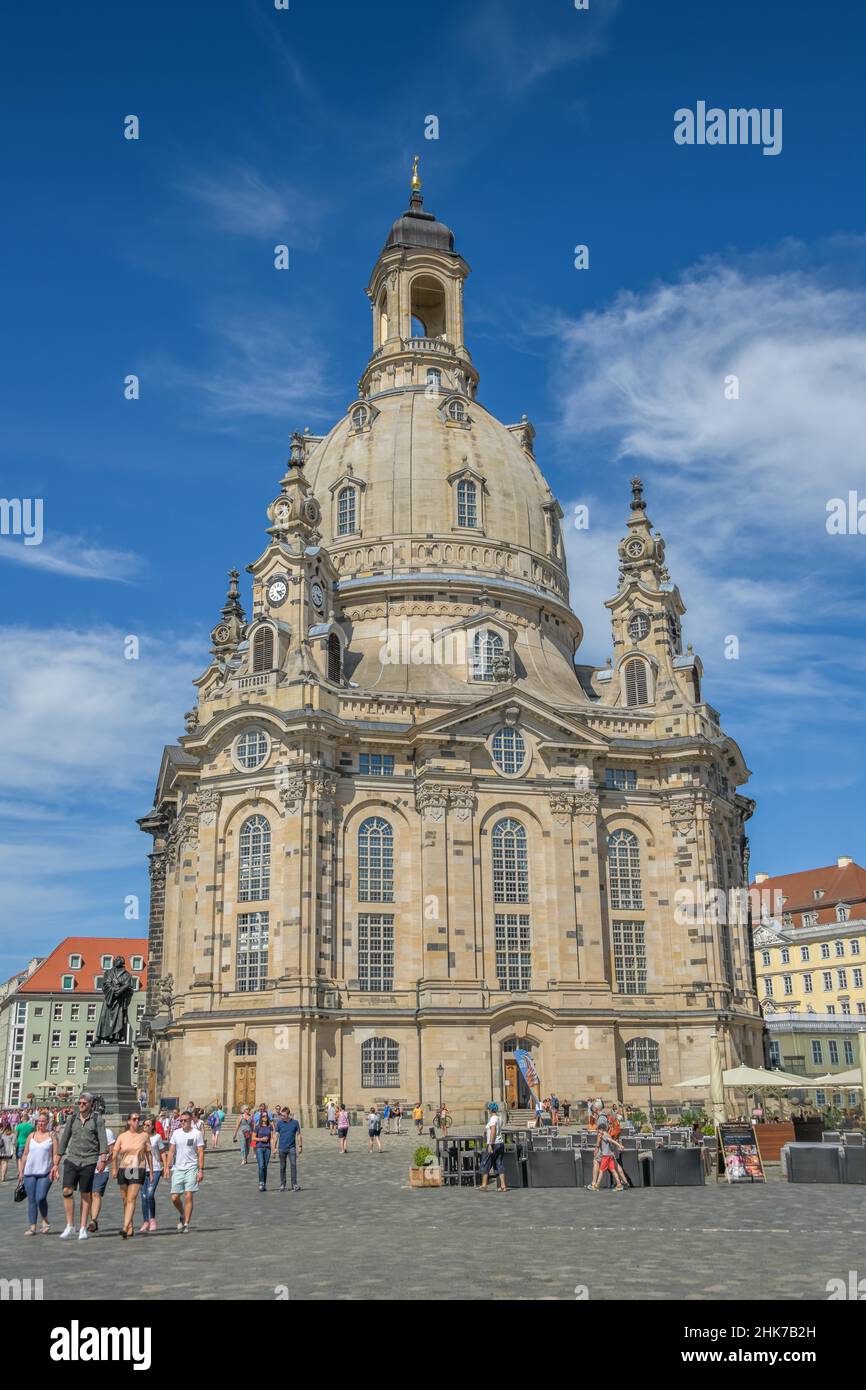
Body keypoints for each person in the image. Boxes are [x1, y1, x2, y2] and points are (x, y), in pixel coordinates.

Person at [55, 1092, 109, 1241]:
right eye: (79, 1103)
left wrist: (102, 1160)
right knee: (66, 1190)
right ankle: (70, 1225)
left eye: (84, 1103)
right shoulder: (72, 1118)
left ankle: (83, 1227)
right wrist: (56, 1163)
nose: (81, 1105)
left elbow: (103, 1141)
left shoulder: (97, 1119)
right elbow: (64, 1139)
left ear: (90, 1104)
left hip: (89, 1160)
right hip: (72, 1159)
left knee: (85, 1194)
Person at [111, 1112, 153, 1239]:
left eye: (138, 1119)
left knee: (131, 1199)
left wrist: (151, 1171)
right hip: (124, 1169)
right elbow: (114, 1153)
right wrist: (114, 1168)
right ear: (129, 1121)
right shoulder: (122, 1136)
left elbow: (149, 1154)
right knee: (125, 1200)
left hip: (137, 1168)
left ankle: (124, 1227)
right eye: (134, 1119)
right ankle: (130, 1226)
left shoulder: (144, 1136)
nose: (137, 1121)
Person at [165, 1110, 205, 1233]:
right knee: (174, 1197)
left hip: (191, 1168)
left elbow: (200, 1152)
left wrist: (200, 1170)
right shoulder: (176, 1133)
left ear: (190, 1121)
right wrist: (167, 1166)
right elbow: (171, 1151)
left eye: (185, 1120)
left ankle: (186, 1223)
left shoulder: (197, 1134)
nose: (182, 1122)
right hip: (178, 1168)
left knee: (188, 1195)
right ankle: (182, 1213)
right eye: (181, 1120)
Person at [21, 1110, 58, 1235]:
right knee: (31, 1199)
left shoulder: (52, 1136)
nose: (40, 1123)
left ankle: (45, 1220)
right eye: (39, 1121)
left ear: (47, 1122)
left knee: (40, 1197)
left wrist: (56, 1167)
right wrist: (21, 1171)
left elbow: (55, 1155)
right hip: (29, 1172)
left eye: (43, 1121)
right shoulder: (31, 1136)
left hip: (45, 1172)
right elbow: (25, 1154)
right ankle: (32, 1227)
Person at [88, 1122, 117, 1232]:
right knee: (88, 1196)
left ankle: (93, 1220)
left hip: (101, 1169)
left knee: (96, 1193)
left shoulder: (107, 1132)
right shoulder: (86, 1132)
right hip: (87, 1167)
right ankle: (92, 1219)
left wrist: (106, 1164)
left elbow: (113, 1152)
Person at [140, 1119, 165, 1232]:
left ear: (152, 1127)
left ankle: (153, 1219)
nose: (145, 1126)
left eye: (148, 1125)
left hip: (155, 1168)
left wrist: (165, 1167)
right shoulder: (139, 1137)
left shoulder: (157, 1138)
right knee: (143, 1196)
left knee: (150, 1194)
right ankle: (146, 1221)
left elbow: (162, 1152)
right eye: (144, 1124)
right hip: (141, 1169)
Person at [588, 1118, 625, 1192]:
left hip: (606, 1156)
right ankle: (619, 1184)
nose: (598, 1131)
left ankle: (596, 1185)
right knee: (613, 1170)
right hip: (610, 1155)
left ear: (601, 1129)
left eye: (598, 1130)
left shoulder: (604, 1135)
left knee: (601, 1170)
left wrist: (619, 1145)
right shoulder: (607, 1134)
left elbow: (610, 1140)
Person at [479, 1102, 507, 1193]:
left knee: (486, 1162)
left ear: (490, 1110)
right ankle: (503, 1186)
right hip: (500, 1143)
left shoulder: (492, 1119)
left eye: (488, 1109)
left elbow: (493, 1131)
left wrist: (490, 1144)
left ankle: (484, 1185)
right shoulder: (499, 1118)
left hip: (493, 1144)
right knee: (499, 1163)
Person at [275, 1107, 302, 1191]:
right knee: (282, 1167)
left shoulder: (295, 1123)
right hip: (281, 1148)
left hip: (292, 1148)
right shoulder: (279, 1123)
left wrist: (300, 1146)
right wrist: (274, 1147)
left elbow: (298, 1134)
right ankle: (282, 1184)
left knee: (293, 1166)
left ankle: (294, 1184)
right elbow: (276, 1135)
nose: (281, 1117)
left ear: (288, 1115)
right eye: (281, 1115)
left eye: (283, 1115)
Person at [253, 1111, 274, 1190]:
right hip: (259, 1148)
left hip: (268, 1148)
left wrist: (273, 1149)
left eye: (266, 1116)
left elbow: (271, 1139)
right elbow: (253, 1138)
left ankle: (264, 1184)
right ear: (261, 1117)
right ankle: (261, 1183)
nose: (265, 1117)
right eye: (263, 1116)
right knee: (261, 1166)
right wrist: (261, 1139)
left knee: (265, 1166)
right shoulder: (258, 1127)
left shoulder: (270, 1127)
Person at [15, 1111, 35, 1181]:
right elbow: (33, 1136)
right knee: (26, 1158)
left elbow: (16, 1135)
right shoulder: (31, 1127)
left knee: (19, 1159)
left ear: (22, 1119)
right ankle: (24, 1170)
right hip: (28, 1144)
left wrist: (15, 1143)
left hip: (20, 1144)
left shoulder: (19, 1126)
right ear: (28, 1119)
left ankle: (20, 1172)